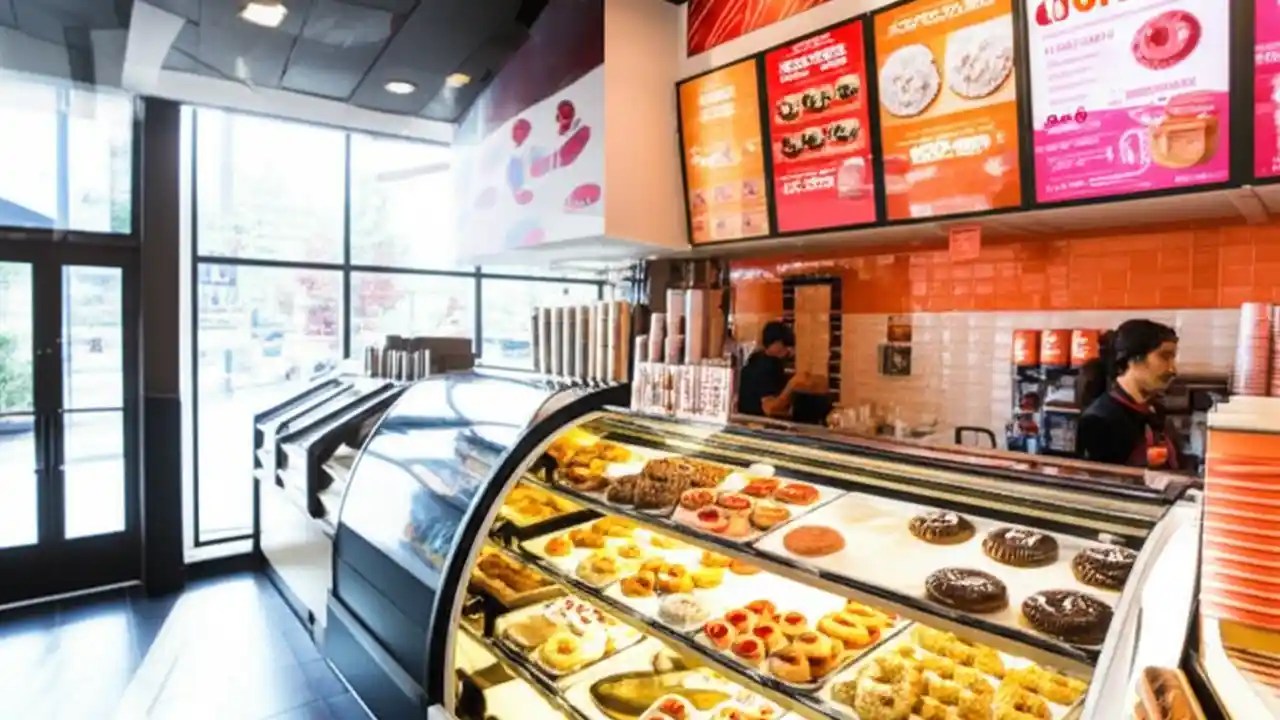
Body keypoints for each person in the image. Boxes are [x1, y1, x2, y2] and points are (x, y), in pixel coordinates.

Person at [1077, 319, 1180, 468]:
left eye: (1173, 358)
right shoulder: (1099, 421)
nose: (1173, 369)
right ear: (1134, 359)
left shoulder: (1155, 412)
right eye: (1164, 356)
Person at [737, 321, 825, 422]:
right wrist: (792, 385)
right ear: (776, 344)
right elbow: (769, 409)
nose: (791, 352)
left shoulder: (759, 361)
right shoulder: (764, 366)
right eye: (787, 345)